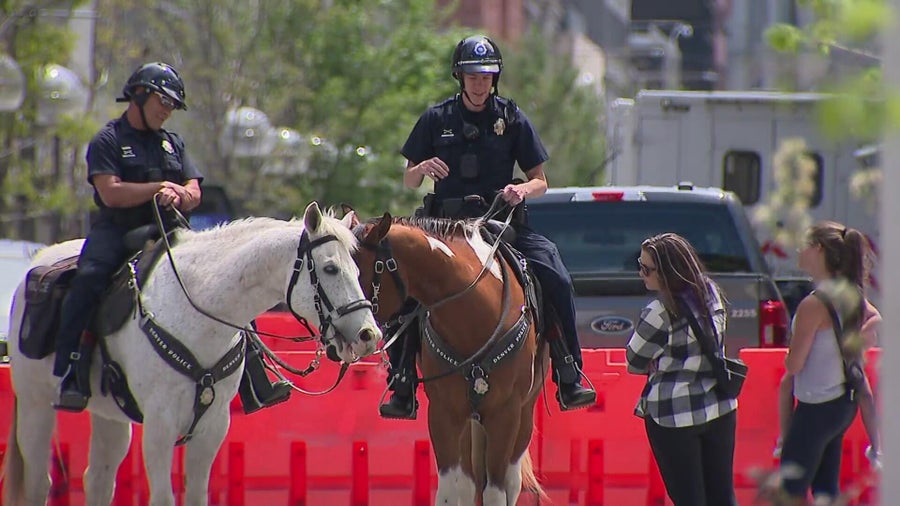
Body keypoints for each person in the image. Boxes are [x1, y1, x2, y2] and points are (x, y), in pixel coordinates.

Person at [378, 35, 596, 420]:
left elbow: (541, 180)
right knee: (403, 282)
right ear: (459, 77)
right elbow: (409, 180)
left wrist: (521, 189)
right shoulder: (436, 118)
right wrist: (422, 168)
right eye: (472, 76)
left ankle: (569, 371)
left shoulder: (512, 118)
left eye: (486, 76)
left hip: (500, 222)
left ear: (495, 78)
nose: (479, 84)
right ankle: (401, 383)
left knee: (555, 276)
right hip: (445, 228)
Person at [53, 62, 291, 414]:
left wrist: (180, 196)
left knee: (226, 281)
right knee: (89, 278)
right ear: (139, 94)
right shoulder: (108, 139)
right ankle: (72, 369)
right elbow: (110, 193)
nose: (166, 111)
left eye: (171, 105)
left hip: (170, 231)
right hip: (118, 231)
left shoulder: (172, 143)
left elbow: (194, 188)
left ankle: (256, 379)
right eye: (162, 101)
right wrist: (158, 188)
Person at [626, 233, 738, 506]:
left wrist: (661, 360)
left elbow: (634, 361)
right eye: (639, 265)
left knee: (688, 498)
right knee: (723, 495)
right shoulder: (711, 292)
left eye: (647, 269)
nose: (641, 274)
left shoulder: (659, 311)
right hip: (720, 406)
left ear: (667, 272)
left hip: (672, 414)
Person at [778, 221, 877, 503]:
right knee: (826, 489)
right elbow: (874, 317)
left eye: (804, 245)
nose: (798, 250)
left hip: (816, 406)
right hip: (842, 401)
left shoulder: (814, 304)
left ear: (818, 249)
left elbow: (793, 366)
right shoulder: (849, 293)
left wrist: (791, 350)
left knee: (790, 489)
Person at [773, 307, 882, 469]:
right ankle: (784, 438)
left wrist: (859, 335)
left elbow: (876, 318)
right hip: (822, 360)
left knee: (864, 391)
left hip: (841, 362)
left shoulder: (848, 297)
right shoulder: (821, 302)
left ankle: (876, 448)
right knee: (787, 384)